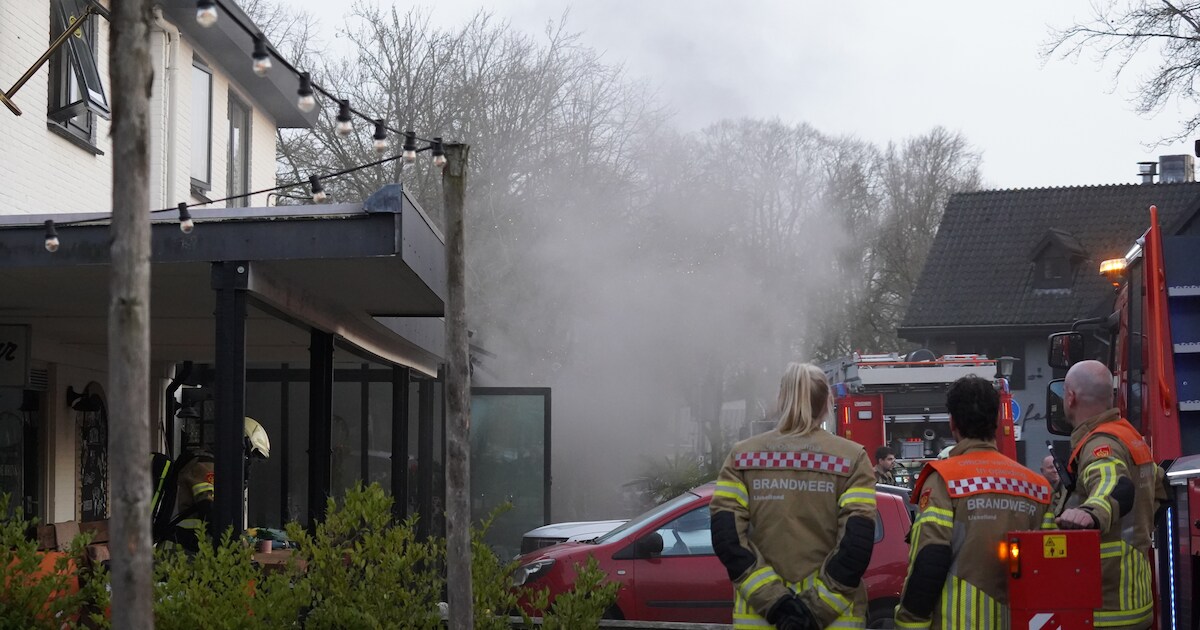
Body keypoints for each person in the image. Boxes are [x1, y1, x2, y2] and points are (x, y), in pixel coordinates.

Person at [711, 362, 876, 630]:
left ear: (781, 400)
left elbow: (729, 541)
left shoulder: (742, 456)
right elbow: (855, 546)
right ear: (826, 404)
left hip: (762, 617)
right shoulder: (852, 459)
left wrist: (779, 605)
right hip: (834, 619)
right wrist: (813, 611)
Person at [894, 375, 1053, 628]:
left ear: (952, 422)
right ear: (997, 422)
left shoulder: (944, 481)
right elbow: (1049, 569)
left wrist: (909, 622)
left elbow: (930, 558)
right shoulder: (1038, 487)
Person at [1055, 360, 1162, 630]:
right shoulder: (1130, 437)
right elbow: (1158, 493)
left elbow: (1112, 483)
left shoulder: (1101, 444)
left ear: (1071, 397)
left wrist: (1091, 513)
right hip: (1135, 597)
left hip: (1106, 604)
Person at [173, 417, 271, 548]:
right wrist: (238, 543)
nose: (249, 463)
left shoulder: (217, 467)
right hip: (182, 552)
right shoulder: (204, 464)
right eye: (249, 457)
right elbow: (211, 511)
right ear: (241, 447)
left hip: (192, 548)